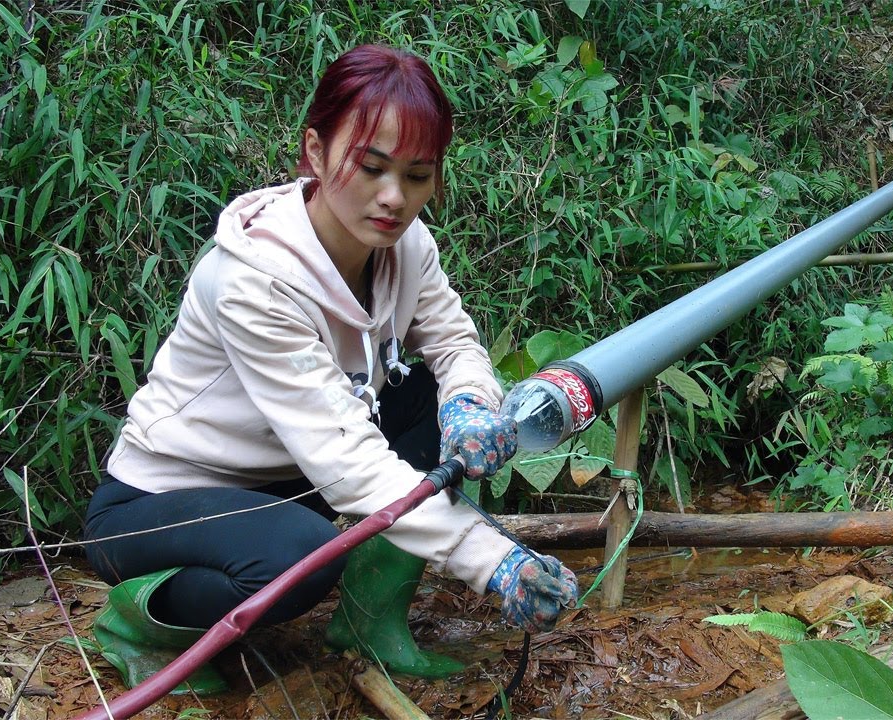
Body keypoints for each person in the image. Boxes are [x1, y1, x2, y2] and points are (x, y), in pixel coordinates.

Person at [82, 44, 579, 695]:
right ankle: (135, 625)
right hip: (159, 501)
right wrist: (496, 561)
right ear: (315, 151)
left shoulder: (408, 246)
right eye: (370, 167)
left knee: (428, 399)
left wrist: (469, 404)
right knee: (302, 558)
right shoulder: (253, 283)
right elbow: (347, 462)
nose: (394, 197)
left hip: (287, 476)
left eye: (417, 175)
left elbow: (454, 341)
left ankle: (370, 623)